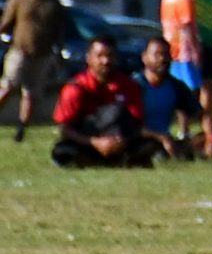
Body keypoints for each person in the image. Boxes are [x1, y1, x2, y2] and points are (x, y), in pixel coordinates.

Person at [52, 37, 150, 168]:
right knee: (62, 152)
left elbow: (138, 122)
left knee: (148, 146)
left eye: (110, 56)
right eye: (100, 56)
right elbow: (65, 129)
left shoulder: (129, 86)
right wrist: (95, 143)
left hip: (121, 142)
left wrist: (122, 141)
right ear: (89, 58)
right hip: (87, 143)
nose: (105, 61)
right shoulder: (75, 88)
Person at [0, 0, 69, 143]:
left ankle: (21, 128)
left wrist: (59, 52)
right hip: (19, 51)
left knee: (31, 93)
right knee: (9, 85)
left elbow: (59, 31)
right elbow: (5, 23)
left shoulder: (54, 5)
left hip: (42, 55)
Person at [158, 0, 212, 157]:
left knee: (179, 90)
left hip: (171, 51)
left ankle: (183, 130)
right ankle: (193, 131)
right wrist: (196, 49)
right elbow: (187, 25)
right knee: (192, 91)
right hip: (184, 52)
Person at [134, 35, 212, 158]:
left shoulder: (175, 86)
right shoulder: (135, 85)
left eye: (166, 54)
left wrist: (211, 138)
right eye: (157, 54)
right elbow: (129, 126)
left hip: (166, 140)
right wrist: (160, 138)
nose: (162, 59)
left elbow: (199, 114)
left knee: (200, 141)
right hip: (138, 139)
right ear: (144, 57)